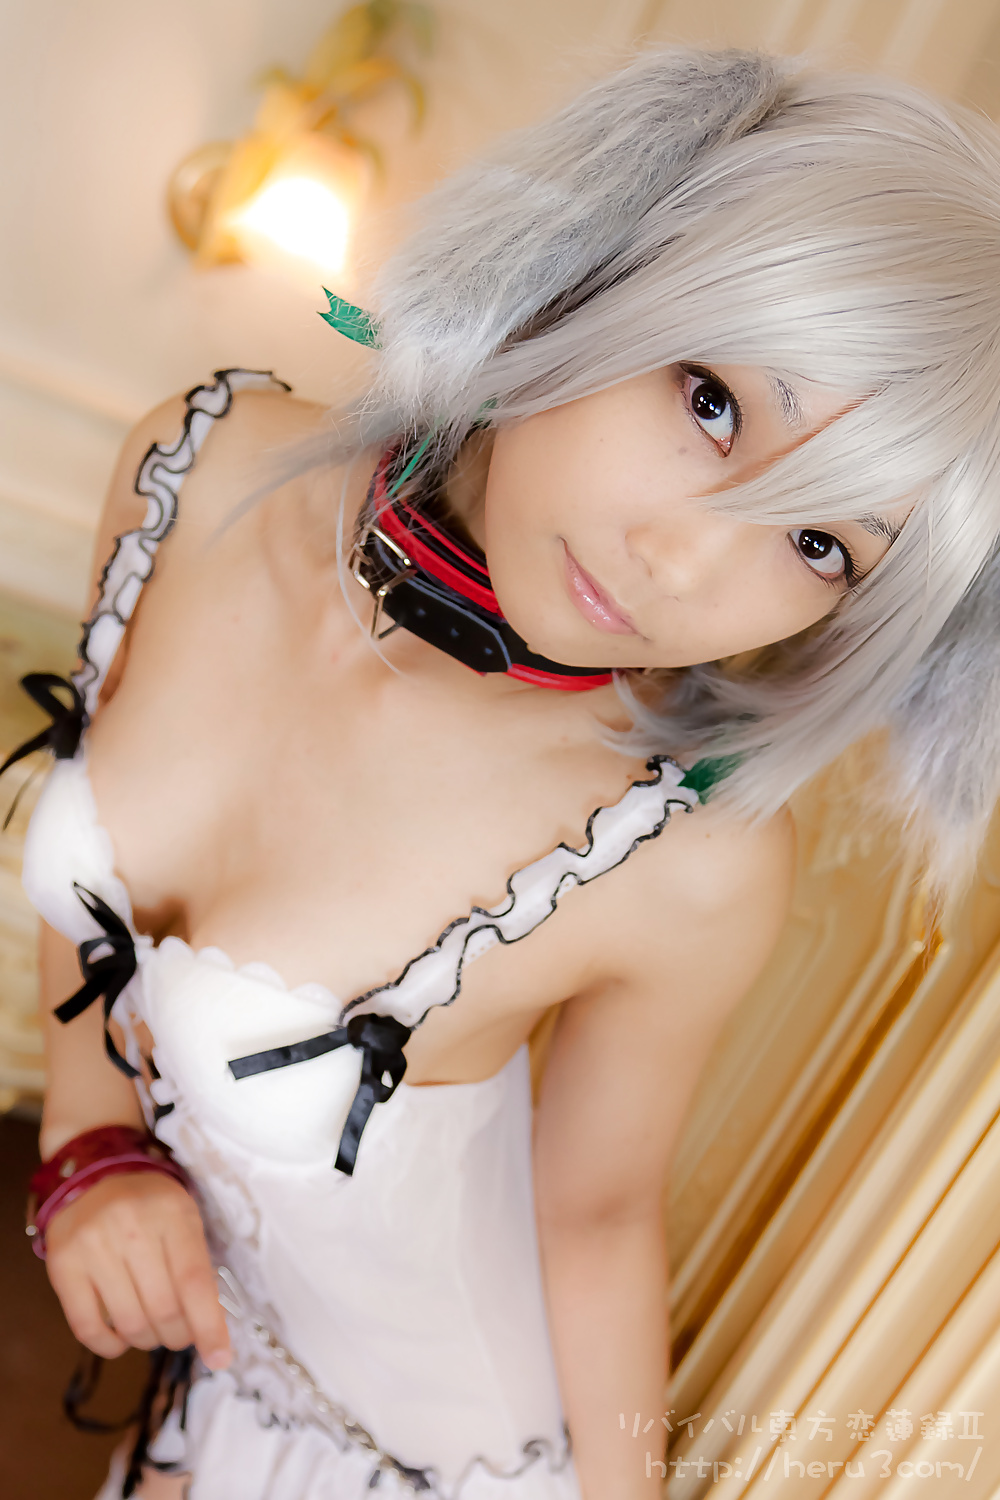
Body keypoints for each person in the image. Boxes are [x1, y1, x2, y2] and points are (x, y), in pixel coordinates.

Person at [14, 44, 1000, 1500]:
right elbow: (89, 857)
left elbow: (598, 1219)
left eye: (818, 544)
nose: (682, 562)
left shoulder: (684, 860)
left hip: (435, 1463)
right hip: (213, 1381)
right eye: (713, 400)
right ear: (595, 268)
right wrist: (85, 1149)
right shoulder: (193, 466)